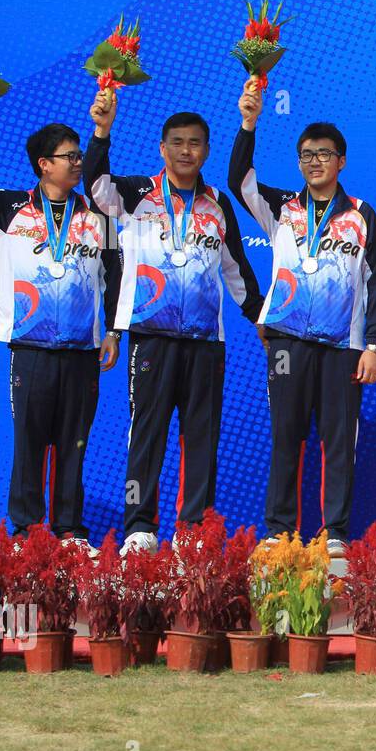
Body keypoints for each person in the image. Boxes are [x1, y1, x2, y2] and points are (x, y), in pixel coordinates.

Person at [83, 90, 265, 554]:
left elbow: (235, 268)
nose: (187, 151)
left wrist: (260, 316)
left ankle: (194, 533)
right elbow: (95, 185)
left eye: (196, 143)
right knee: (147, 432)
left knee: (201, 438)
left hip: (206, 342)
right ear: (162, 149)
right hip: (151, 337)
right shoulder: (135, 194)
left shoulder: (217, 204)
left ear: (206, 150)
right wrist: (102, 130)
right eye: (178, 143)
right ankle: (139, 528)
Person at [0, 109, 120, 551]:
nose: (78, 163)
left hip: (83, 349)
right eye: (70, 157)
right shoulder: (9, 209)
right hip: (30, 348)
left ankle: (69, 532)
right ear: (44, 164)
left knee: (73, 442)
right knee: (29, 440)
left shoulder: (100, 217)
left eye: (80, 155)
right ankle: (27, 531)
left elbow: (115, 277)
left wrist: (114, 331)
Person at [230, 80, 376, 559]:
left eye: (324, 153)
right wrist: (249, 122)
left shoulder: (363, 216)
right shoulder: (282, 209)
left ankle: (335, 532)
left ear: (341, 161)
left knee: (338, 442)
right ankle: (279, 529)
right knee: (286, 437)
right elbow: (239, 180)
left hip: (343, 347)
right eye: (306, 154)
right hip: (287, 344)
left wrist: (374, 347)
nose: (314, 161)